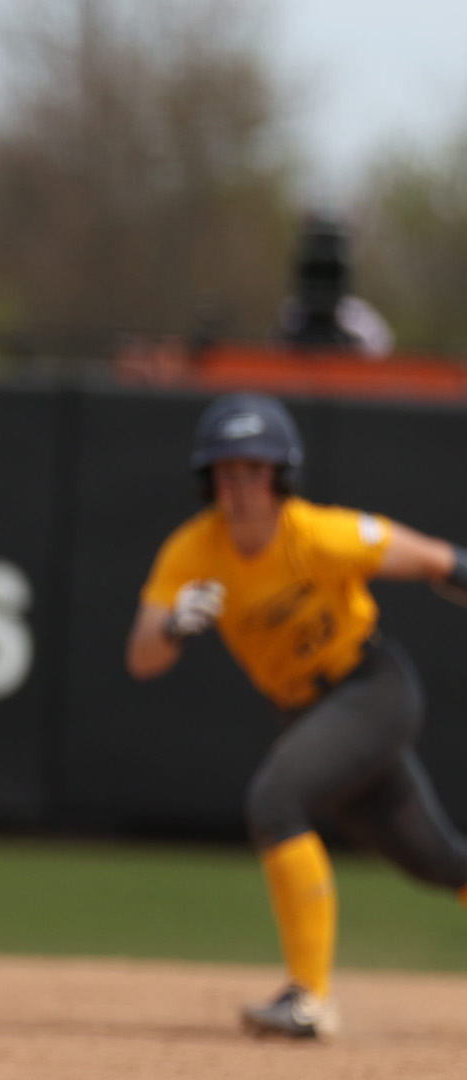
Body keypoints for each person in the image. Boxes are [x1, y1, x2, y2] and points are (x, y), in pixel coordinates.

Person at [125, 392, 467, 1039]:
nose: (240, 487)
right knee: (439, 860)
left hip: (371, 689)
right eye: (226, 473)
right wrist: (171, 626)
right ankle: (307, 996)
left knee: (275, 801)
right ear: (209, 483)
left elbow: (435, 560)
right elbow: (142, 656)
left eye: (254, 470)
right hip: (309, 711)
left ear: (281, 476)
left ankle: (307, 999)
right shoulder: (195, 552)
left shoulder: (319, 534)